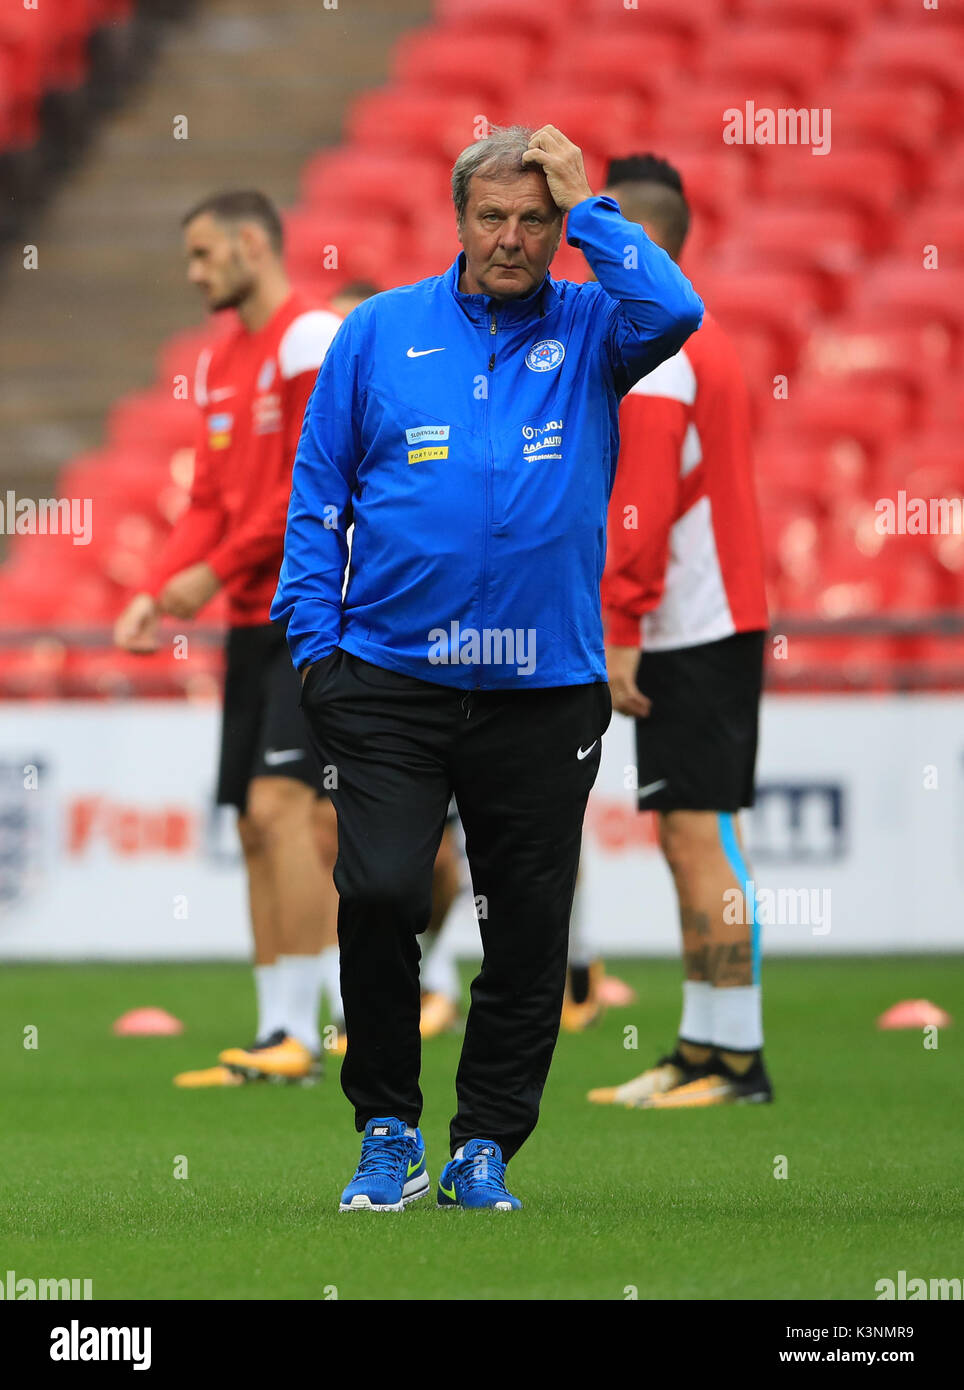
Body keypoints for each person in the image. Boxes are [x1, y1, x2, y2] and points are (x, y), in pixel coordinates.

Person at [272, 124, 703, 1210]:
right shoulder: (376, 332)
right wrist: (316, 650)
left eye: (533, 219)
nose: (511, 239)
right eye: (491, 216)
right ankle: (385, 1126)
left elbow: (678, 309)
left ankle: (484, 1147)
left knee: (525, 924)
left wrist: (590, 205)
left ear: (557, 227)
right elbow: (317, 495)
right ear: (457, 219)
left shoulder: (597, 324)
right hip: (386, 678)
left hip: (543, 686)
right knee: (376, 893)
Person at [114, 190, 344, 1087]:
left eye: (206, 255)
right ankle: (277, 1031)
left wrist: (210, 572)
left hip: (313, 610)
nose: (196, 273)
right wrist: (154, 594)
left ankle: (319, 1027)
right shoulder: (218, 362)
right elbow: (210, 499)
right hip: (250, 622)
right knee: (254, 827)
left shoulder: (308, 339)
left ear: (255, 243)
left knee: (281, 811)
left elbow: (309, 485)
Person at [585, 154, 772, 1110]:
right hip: (705, 619)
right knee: (686, 834)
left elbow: (641, 513)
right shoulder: (709, 346)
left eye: (602, 241)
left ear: (640, 245)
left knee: (702, 834)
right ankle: (703, 1044)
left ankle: (737, 1058)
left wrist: (621, 632)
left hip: (690, 627)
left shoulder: (662, 361)